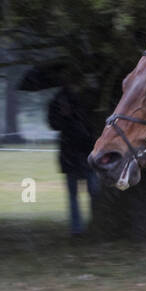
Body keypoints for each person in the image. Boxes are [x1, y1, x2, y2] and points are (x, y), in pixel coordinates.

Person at [47, 76, 99, 235]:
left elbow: (90, 121)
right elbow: (53, 123)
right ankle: (77, 228)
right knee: (75, 194)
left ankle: (92, 225)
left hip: (84, 150)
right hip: (73, 152)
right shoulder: (59, 100)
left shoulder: (88, 97)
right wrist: (64, 115)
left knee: (93, 192)